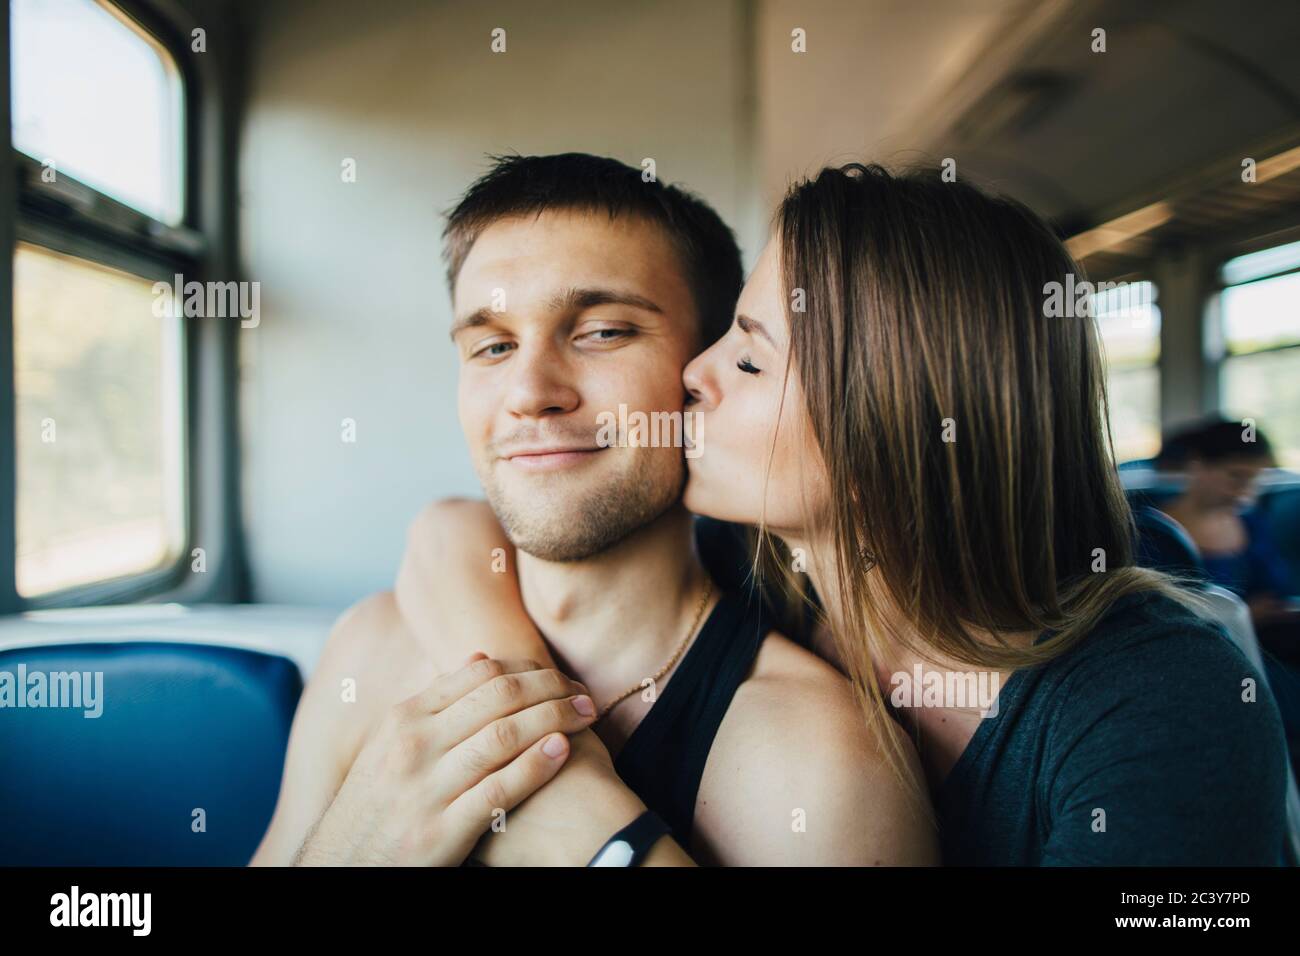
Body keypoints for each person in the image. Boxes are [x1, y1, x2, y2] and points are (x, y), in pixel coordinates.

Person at [401, 162, 1292, 865]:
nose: (693, 376)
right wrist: (541, 744)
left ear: (891, 423)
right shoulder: (740, 565)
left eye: (748, 362)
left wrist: (590, 827)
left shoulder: (1158, 698)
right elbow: (452, 533)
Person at [251, 154, 936, 867]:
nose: (529, 391)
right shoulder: (369, 645)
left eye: (602, 332)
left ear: (701, 374)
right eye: (492, 346)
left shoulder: (819, 765)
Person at [1151, 417, 1299, 633]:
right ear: (1198, 466)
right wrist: (1242, 614)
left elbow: (1277, 590)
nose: (1246, 489)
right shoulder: (1155, 530)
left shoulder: (1253, 524)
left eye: (1255, 480)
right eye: (1235, 476)